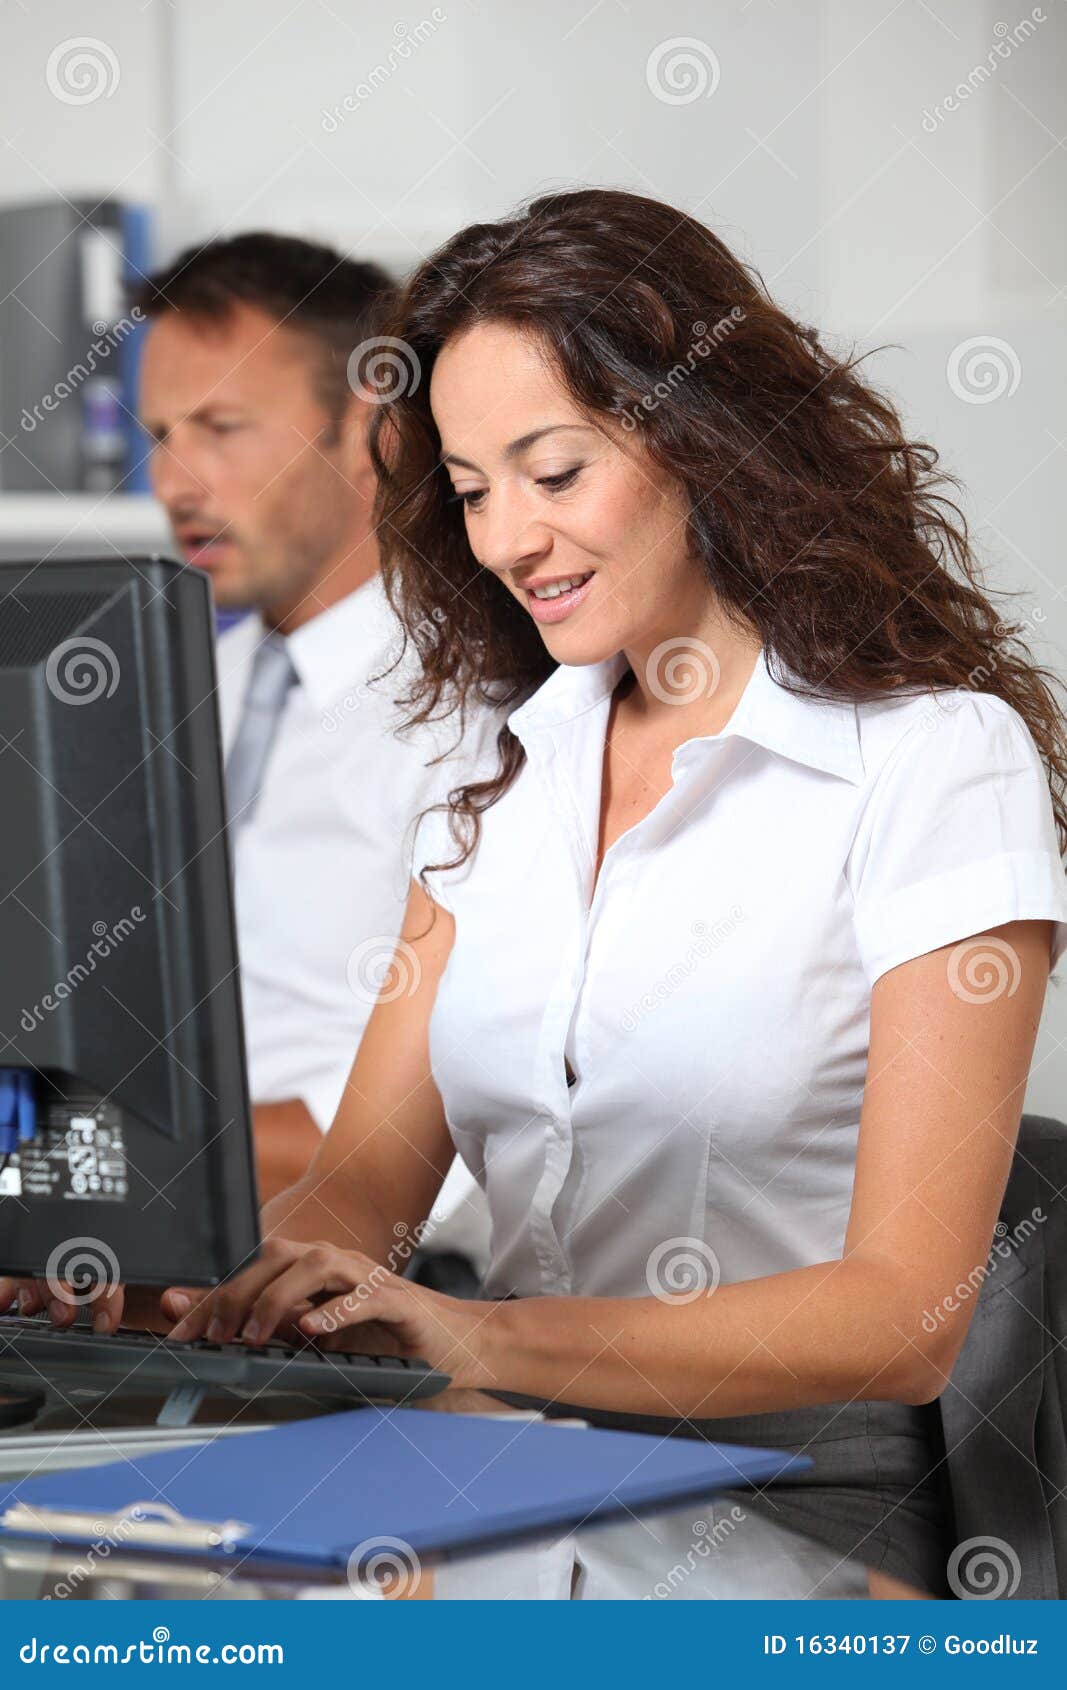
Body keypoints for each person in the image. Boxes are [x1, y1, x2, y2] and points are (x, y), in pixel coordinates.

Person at [143, 191, 1067, 1594]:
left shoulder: (930, 764)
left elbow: (905, 1310)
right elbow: (361, 1195)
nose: (507, 537)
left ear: (695, 435)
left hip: (788, 1532)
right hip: (484, 1498)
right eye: (467, 490)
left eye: (552, 471)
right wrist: (195, 1286)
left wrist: (481, 1337)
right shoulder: (492, 773)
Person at [128, 233, 497, 1233]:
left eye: (222, 427)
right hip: (131, 1244)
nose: (174, 483)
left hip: (357, 1264)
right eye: (160, 433)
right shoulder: (166, 691)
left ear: (370, 429)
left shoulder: (474, 713)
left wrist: (110, 1157)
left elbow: (475, 1108)